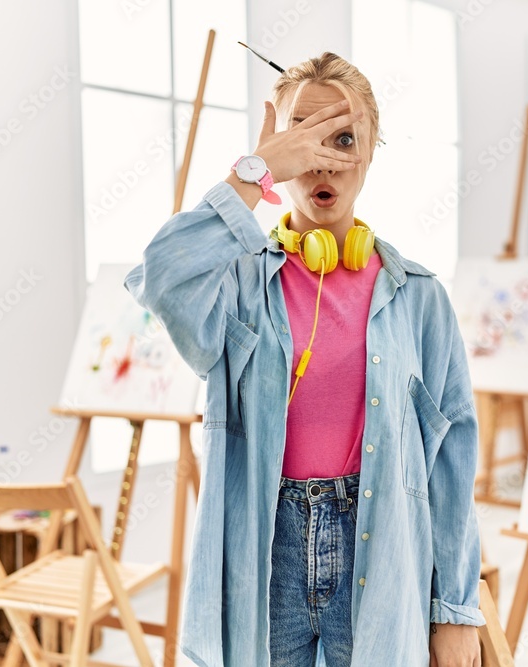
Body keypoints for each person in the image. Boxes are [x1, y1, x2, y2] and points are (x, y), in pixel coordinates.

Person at [125, 52, 485, 667]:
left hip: (380, 549)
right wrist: (256, 173)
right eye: (304, 139)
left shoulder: (420, 298)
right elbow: (162, 275)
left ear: (371, 152)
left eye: (343, 139)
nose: (323, 162)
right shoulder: (236, 287)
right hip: (267, 549)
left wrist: (454, 609)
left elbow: (450, 464)